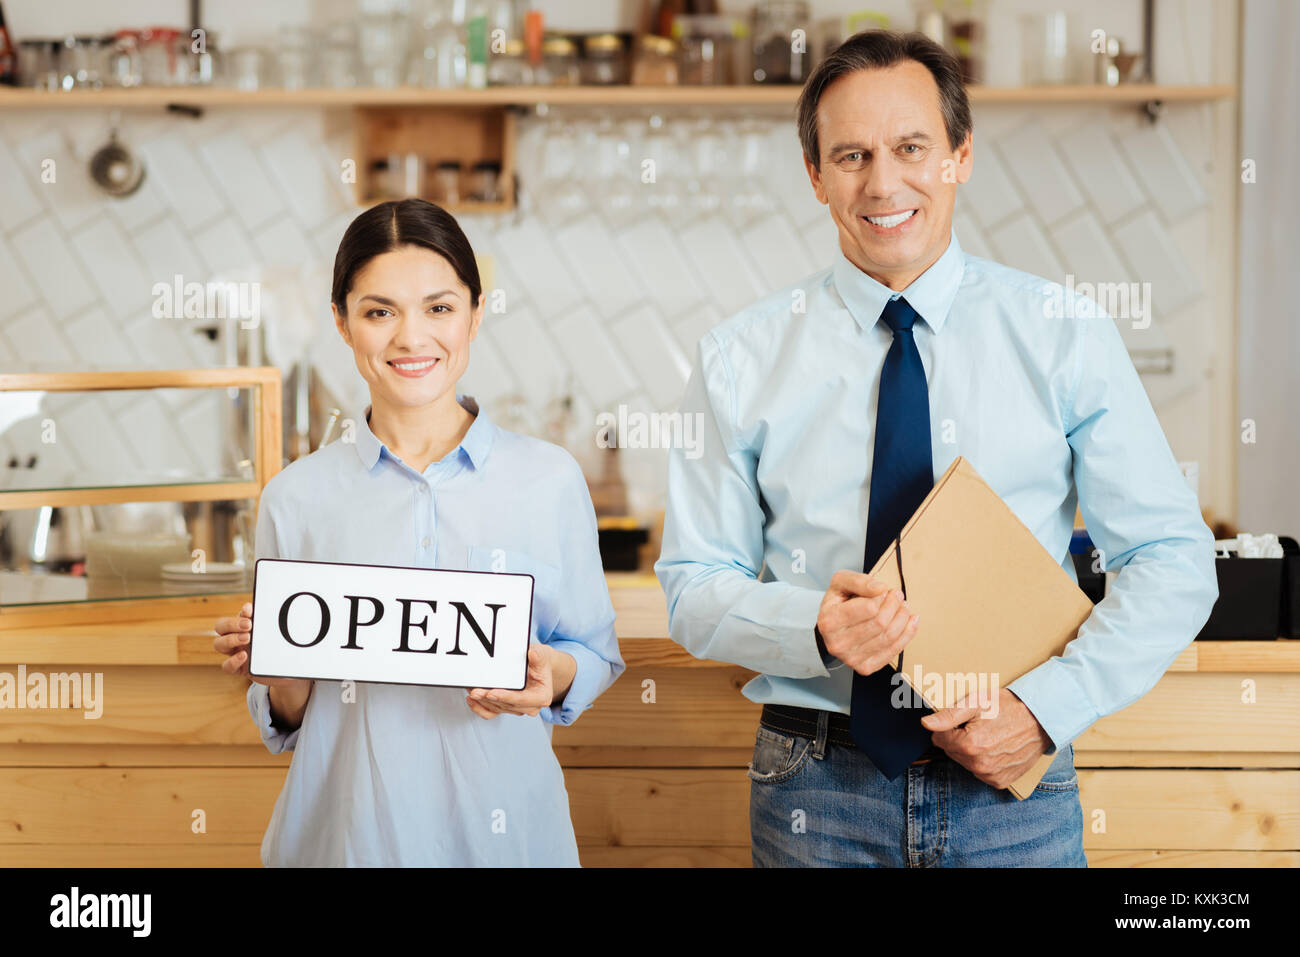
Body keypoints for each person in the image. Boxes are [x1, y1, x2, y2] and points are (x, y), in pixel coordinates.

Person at [654, 30, 1218, 867]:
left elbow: (1174, 559)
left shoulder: (1062, 335)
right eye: (850, 155)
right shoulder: (740, 358)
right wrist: (811, 623)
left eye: (912, 147)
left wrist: (1044, 710)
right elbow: (693, 589)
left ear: (960, 155)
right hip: (816, 781)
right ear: (814, 174)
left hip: (1014, 781)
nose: (884, 183)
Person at [213, 198, 624, 866]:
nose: (411, 338)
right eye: (379, 312)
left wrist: (553, 673)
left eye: (439, 307)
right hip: (344, 842)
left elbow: (594, 653)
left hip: (505, 842)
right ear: (343, 324)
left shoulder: (549, 480)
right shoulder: (296, 497)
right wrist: (278, 672)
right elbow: (288, 712)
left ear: (475, 314)